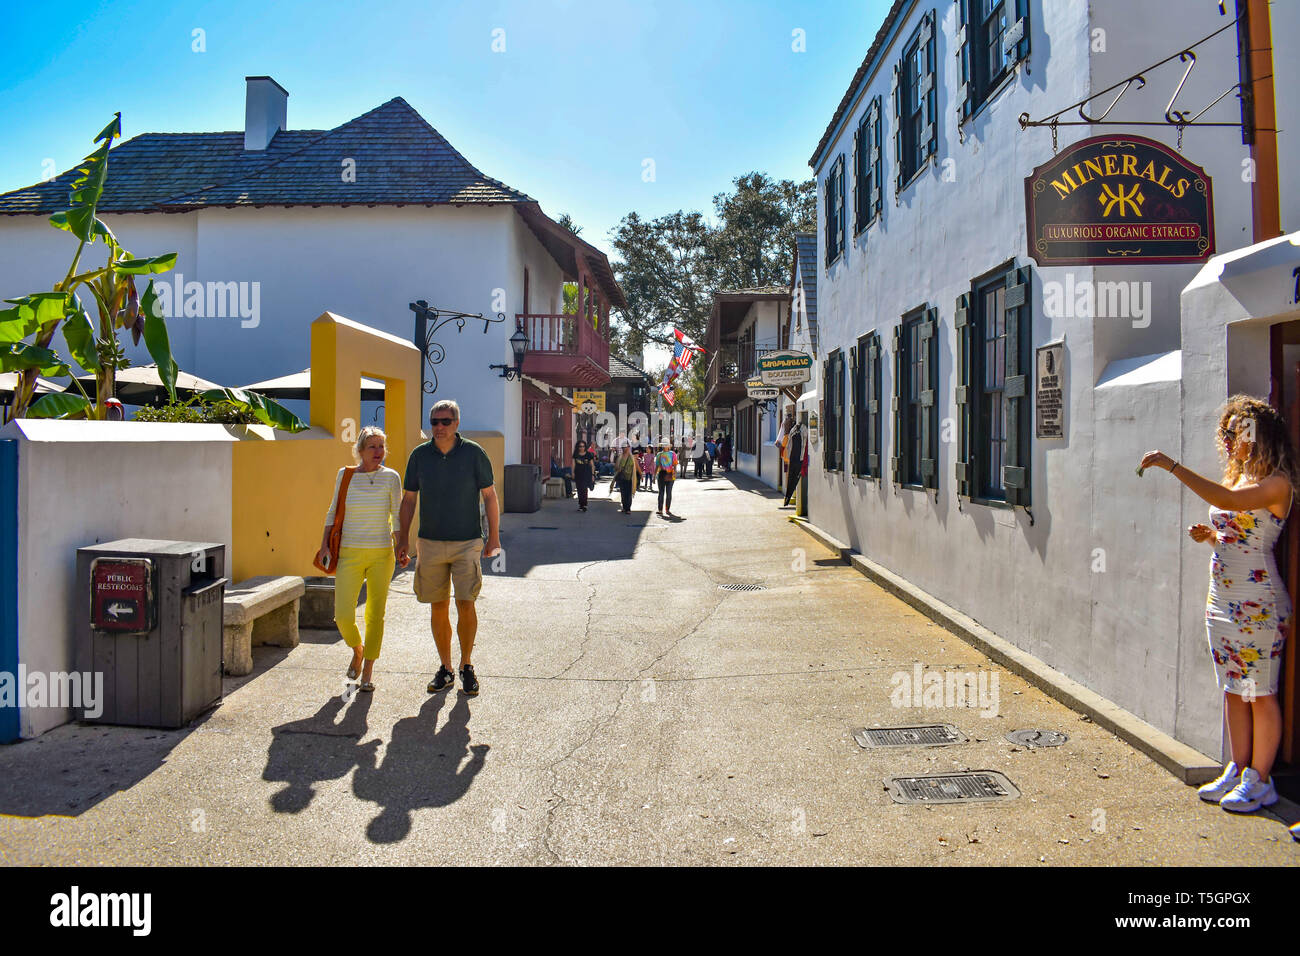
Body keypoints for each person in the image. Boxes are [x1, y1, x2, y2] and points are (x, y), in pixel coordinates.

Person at [1140, 395, 1299, 815]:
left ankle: (1260, 781)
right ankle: (1238, 767)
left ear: (1256, 436)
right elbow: (1237, 531)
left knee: (1260, 692)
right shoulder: (1239, 479)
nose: (1226, 440)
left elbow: (1229, 506)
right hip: (1223, 600)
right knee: (1234, 689)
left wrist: (1172, 466)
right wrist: (1210, 538)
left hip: (1259, 605)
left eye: (1234, 432)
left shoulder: (1277, 483)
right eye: (1224, 433)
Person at [398, 400, 501, 697]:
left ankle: (467, 665)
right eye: (434, 422)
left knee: (466, 603)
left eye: (445, 421)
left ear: (456, 423)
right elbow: (408, 500)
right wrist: (403, 539)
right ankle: (446, 668)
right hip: (429, 543)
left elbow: (490, 496)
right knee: (438, 605)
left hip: (466, 541)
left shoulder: (473, 454)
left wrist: (494, 537)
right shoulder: (419, 456)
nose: (439, 427)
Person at [317, 426, 404, 693]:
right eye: (372, 447)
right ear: (360, 451)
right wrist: (323, 546)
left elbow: (397, 516)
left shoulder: (391, 477)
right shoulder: (345, 476)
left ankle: (368, 670)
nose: (378, 452)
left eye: (381, 446)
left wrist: (402, 546)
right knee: (343, 615)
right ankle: (358, 649)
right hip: (349, 553)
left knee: (375, 614)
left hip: (381, 554)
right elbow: (332, 512)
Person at [783, 417, 807, 508]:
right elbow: (802, 444)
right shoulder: (800, 429)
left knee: (792, 478)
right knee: (793, 479)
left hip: (795, 458)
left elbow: (789, 444)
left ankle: (788, 497)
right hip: (797, 459)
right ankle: (788, 496)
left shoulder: (795, 430)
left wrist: (789, 457)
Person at [614, 441, 638, 513]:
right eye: (623, 447)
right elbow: (615, 467)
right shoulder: (619, 457)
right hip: (622, 478)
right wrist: (618, 468)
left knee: (628, 494)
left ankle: (628, 508)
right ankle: (624, 507)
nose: (624, 448)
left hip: (630, 478)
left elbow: (636, 466)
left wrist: (640, 474)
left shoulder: (632, 458)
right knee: (623, 493)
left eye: (625, 447)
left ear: (628, 447)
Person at [655, 441, 678, 517]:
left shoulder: (673, 454)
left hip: (670, 475)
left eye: (666, 445)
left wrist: (675, 473)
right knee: (661, 492)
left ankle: (667, 509)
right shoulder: (659, 454)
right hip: (661, 474)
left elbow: (675, 464)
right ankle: (660, 510)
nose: (665, 446)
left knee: (668, 493)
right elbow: (657, 465)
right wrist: (654, 475)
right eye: (664, 445)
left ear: (669, 446)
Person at [573, 439, 596, 512]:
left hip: (586, 474)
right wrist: (573, 473)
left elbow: (592, 465)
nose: (581, 448)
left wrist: (592, 475)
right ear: (578, 447)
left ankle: (584, 505)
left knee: (584, 489)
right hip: (578, 474)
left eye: (583, 446)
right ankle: (581, 505)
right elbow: (573, 464)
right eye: (580, 446)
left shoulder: (588, 454)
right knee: (579, 490)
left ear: (585, 447)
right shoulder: (575, 454)